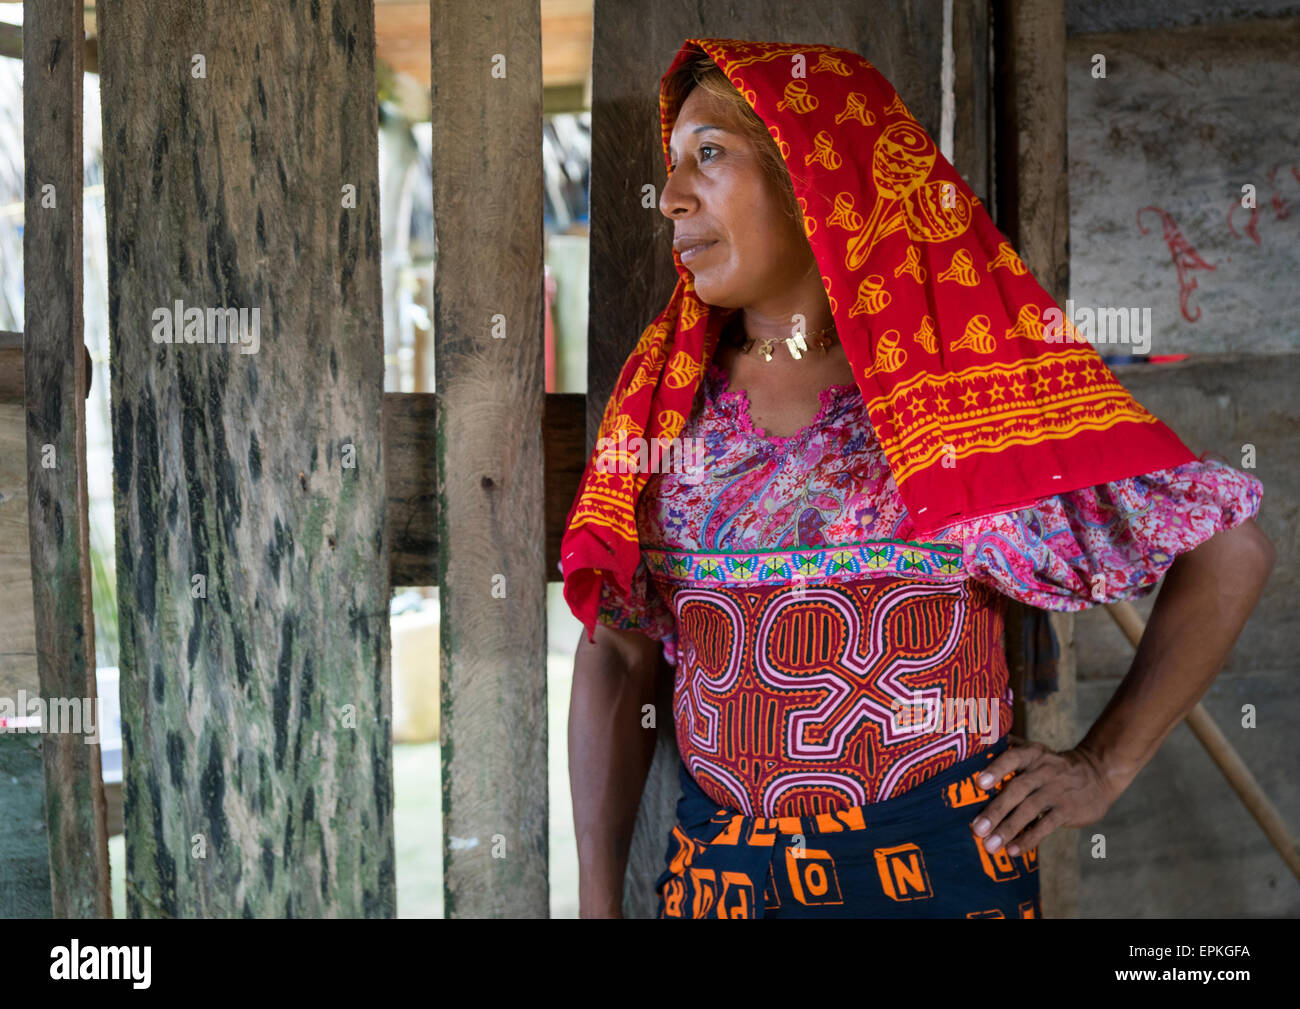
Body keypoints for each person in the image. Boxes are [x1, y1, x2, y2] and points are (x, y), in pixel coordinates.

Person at [563, 38, 1275, 919]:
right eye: (674, 167)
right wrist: (598, 905)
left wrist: (1102, 766)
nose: (671, 198)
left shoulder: (962, 389)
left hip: (941, 880)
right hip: (723, 886)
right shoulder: (662, 399)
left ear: (817, 173)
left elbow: (1229, 547)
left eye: (708, 155)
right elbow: (618, 649)